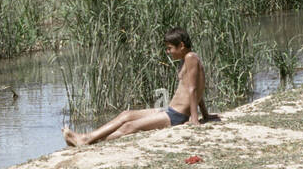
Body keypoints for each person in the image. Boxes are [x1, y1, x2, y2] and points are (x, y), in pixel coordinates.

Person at [63, 28, 211, 147]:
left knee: (129, 126)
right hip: (170, 110)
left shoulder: (190, 58)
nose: (168, 52)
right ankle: (86, 137)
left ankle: (88, 141)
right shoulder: (186, 59)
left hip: (176, 116)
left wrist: (194, 119)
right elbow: (197, 88)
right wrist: (205, 115)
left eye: (170, 48)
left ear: (181, 46)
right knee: (126, 115)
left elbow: (194, 89)